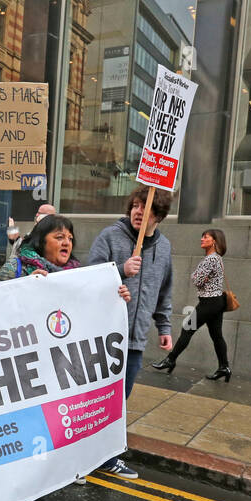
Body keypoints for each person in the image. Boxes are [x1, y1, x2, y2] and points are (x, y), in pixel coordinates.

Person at [0, 214, 130, 501]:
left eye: (69, 236)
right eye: (58, 236)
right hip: (21, 367)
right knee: (22, 433)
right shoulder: (17, 267)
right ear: (42, 241)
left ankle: (39, 491)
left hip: (55, 369)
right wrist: (26, 289)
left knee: (48, 434)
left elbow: (91, 312)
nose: (66, 241)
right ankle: (13, 497)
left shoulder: (78, 274)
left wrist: (115, 297)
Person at [87, 186, 174, 479]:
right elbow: (89, 278)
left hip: (135, 340)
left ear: (158, 216)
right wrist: (121, 270)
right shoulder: (110, 237)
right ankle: (83, 455)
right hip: (104, 336)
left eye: (146, 208)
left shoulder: (164, 248)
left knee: (118, 402)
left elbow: (165, 290)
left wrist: (164, 326)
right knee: (94, 400)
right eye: (135, 206)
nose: (139, 211)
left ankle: (105, 456)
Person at [152, 229, 230, 381]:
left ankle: (170, 360)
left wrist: (197, 276)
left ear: (214, 241)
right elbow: (200, 279)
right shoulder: (216, 258)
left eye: (205, 237)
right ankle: (224, 367)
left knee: (187, 328)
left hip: (209, 302)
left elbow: (197, 280)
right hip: (216, 302)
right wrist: (199, 277)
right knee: (217, 336)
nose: (201, 239)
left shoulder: (211, 259)